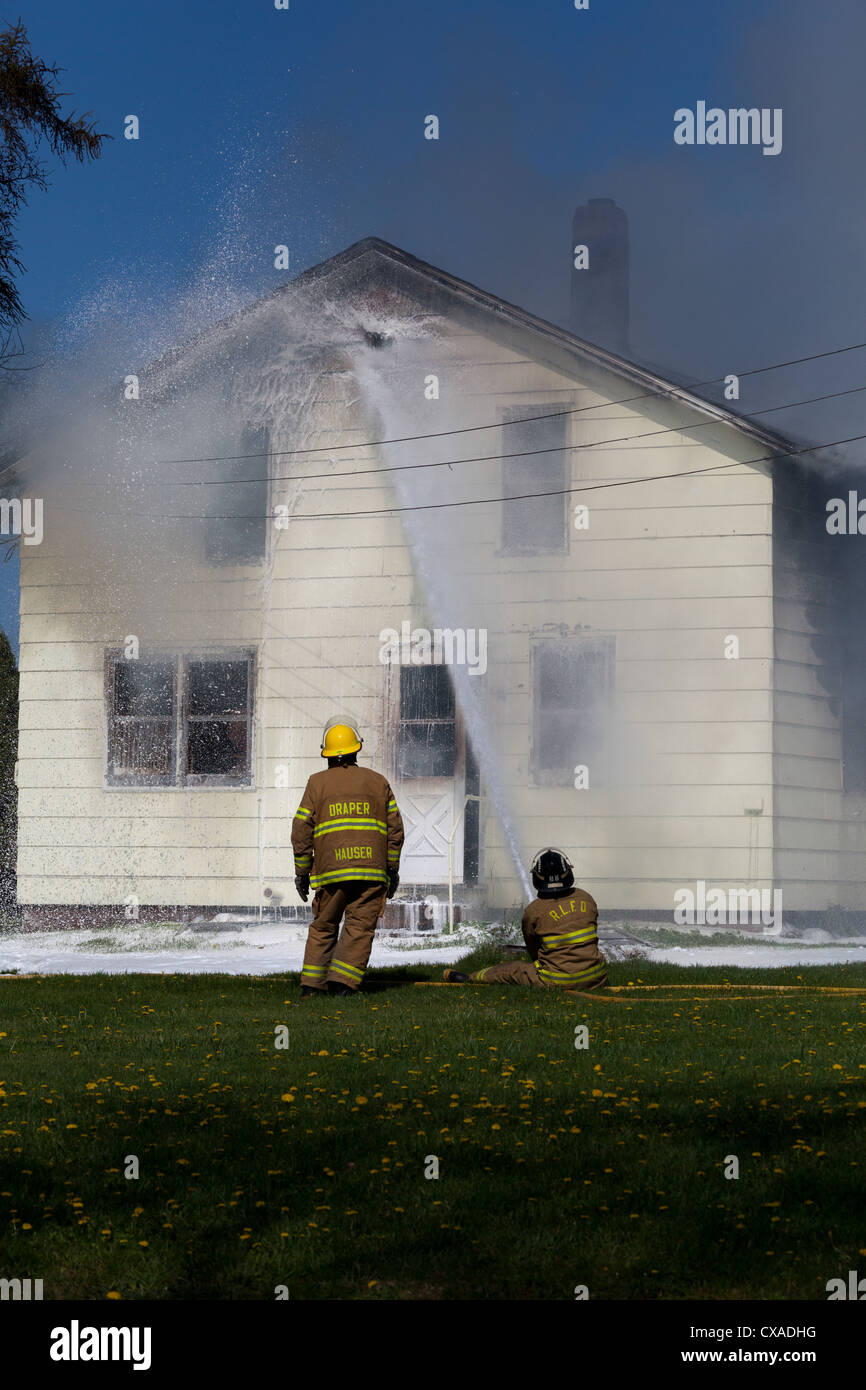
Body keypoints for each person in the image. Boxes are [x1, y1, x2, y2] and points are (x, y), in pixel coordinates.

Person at [292, 720, 404, 998]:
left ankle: (311, 987)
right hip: (371, 873)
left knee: (324, 926)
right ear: (357, 750)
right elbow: (395, 829)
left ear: (327, 753)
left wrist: (302, 871)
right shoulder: (378, 782)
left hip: (331, 874)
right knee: (359, 928)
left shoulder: (316, 783)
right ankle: (343, 985)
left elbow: (301, 828)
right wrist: (392, 869)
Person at [444, 848, 607, 992]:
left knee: (511, 970)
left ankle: (469, 979)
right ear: (568, 873)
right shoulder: (586, 899)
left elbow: (534, 950)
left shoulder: (534, 910)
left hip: (555, 981)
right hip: (596, 978)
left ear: (537, 878)